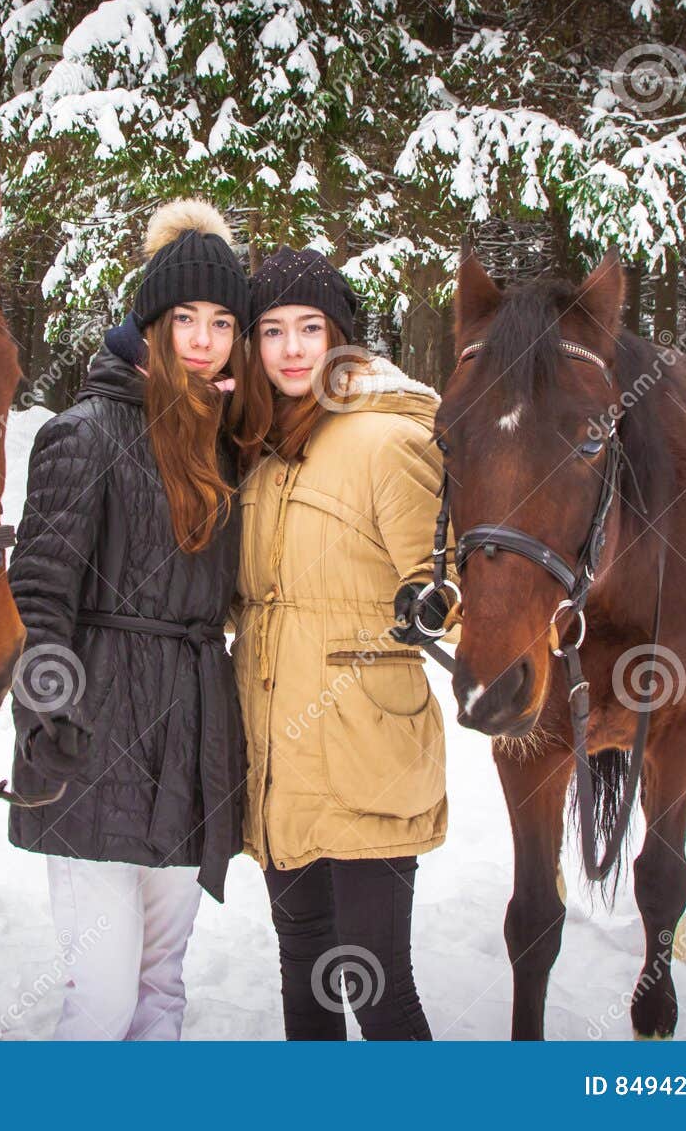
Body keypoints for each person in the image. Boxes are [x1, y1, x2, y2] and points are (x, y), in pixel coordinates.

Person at [6, 199, 250, 1041]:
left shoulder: (225, 449)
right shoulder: (85, 432)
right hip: (94, 740)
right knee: (103, 999)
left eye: (222, 321)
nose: (203, 336)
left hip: (186, 742)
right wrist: (47, 716)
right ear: (150, 321)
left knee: (160, 987)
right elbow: (37, 594)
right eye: (184, 316)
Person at [230, 246, 452, 1040]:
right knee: (305, 962)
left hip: (366, 753)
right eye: (273, 331)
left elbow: (446, 585)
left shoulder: (386, 442)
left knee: (377, 979)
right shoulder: (259, 455)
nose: (292, 349)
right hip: (281, 759)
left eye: (310, 328)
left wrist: (434, 603)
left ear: (340, 339)